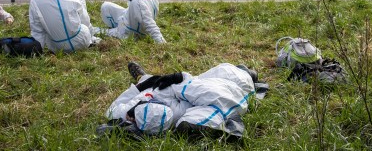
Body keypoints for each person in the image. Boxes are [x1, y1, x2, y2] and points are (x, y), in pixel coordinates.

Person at [102, 62, 257, 139]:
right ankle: (250, 75)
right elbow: (193, 88)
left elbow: (112, 108)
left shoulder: (121, 112)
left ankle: (142, 76)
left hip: (156, 88)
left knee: (154, 81)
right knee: (224, 86)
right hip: (227, 82)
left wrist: (142, 85)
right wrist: (181, 78)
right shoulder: (178, 112)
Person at [29, 0, 95, 53]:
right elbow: (85, 21)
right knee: (84, 24)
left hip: (57, 48)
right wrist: (92, 38)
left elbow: (37, 28)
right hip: (82, 43)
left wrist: (38, 50)